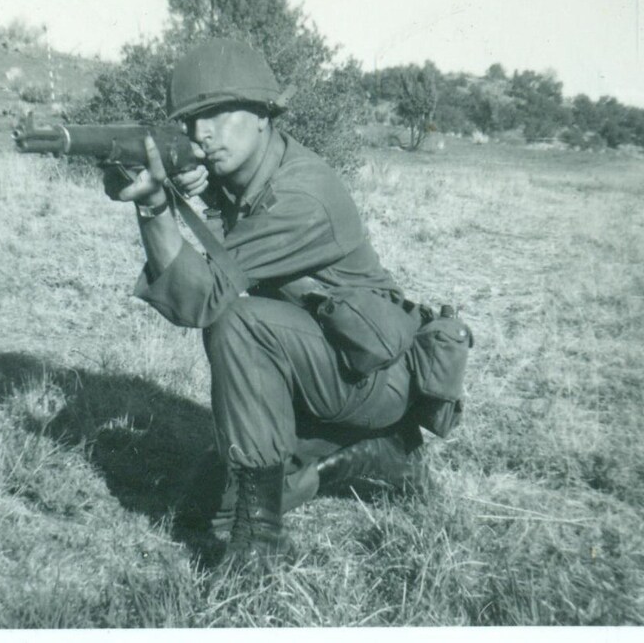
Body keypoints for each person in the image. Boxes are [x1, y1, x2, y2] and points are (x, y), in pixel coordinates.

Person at [104, 38, 429, 568]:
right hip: (319, 360)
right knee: (203, 509)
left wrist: (158, 206)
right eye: (189, 122)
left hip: (372, 373)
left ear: (262, 114)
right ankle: (378, 455)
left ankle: (261, 543)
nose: (200, 134)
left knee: (238, 324)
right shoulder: (243, 177)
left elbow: (202, 300)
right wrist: (192, 198)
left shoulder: (301, 195)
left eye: (215, 114)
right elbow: (212, 262)